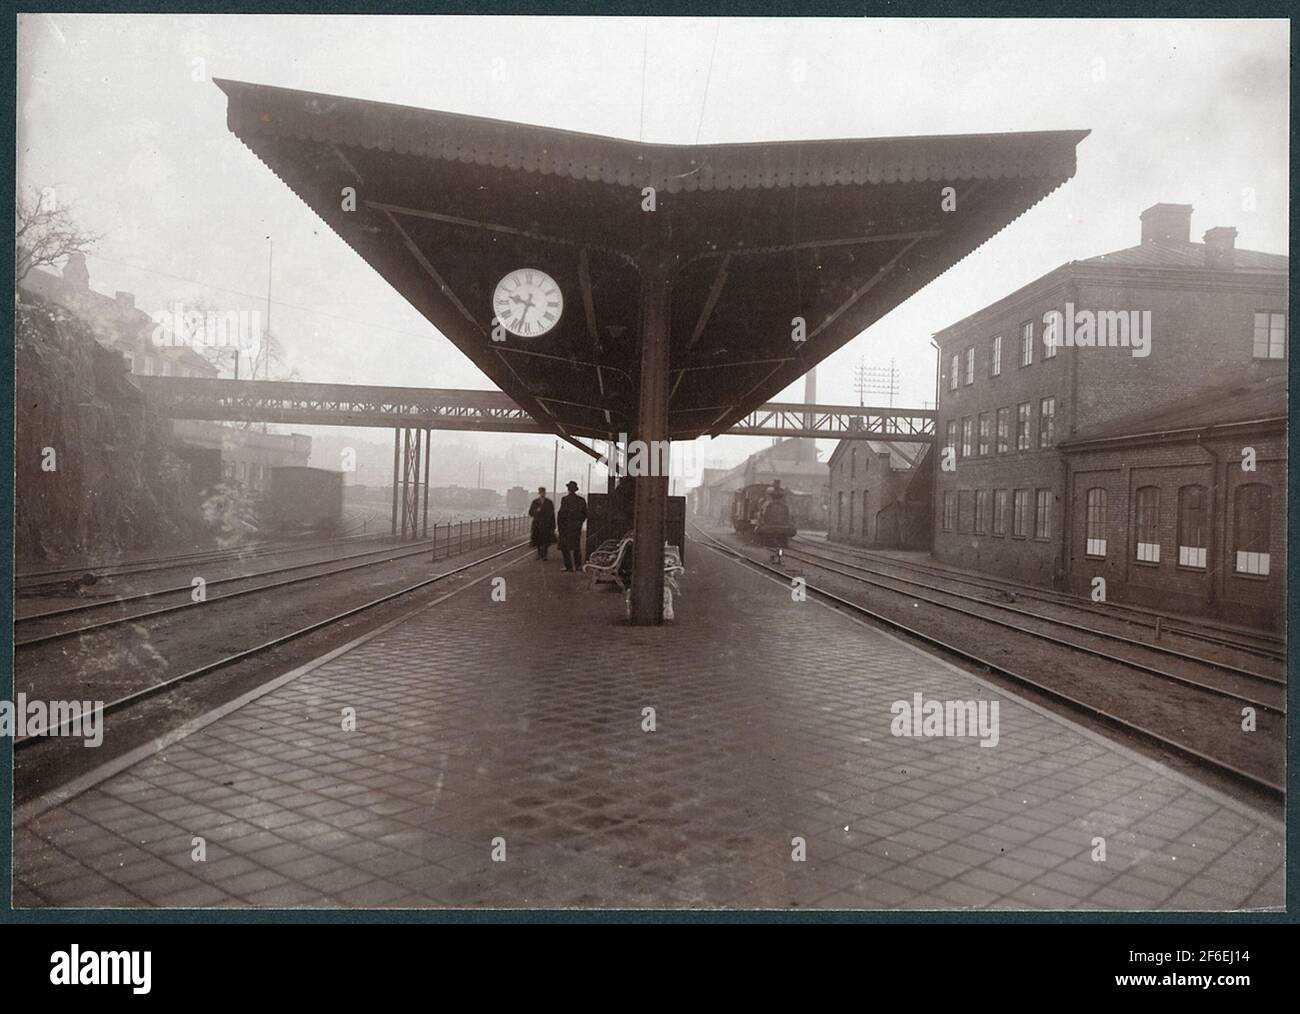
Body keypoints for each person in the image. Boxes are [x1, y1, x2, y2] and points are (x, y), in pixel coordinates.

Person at [557, 480, 588, 571]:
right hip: (576, 527)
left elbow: (561, 514)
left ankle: (569, 567)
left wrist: (560, 526)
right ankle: (578, 566)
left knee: (565, 548)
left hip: (565, 527)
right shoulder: (581, 500)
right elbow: (585, 514)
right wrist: (579, 523)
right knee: (576, 546)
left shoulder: (565, 499)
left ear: (569, 489)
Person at [528, 487, 556, 560]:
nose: (542, 494)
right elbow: (530, 513)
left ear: (545, 493)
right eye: (541, 492)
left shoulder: (549, 502)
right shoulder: (535, 502)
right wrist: (536, 511)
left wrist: (553, 526)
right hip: (537, 524)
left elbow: (552, 514)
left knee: (546, 540)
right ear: (539, 493)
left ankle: (544, 555)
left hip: (546, 524)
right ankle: (539, 553)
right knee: (537, 540)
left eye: (543, 492)